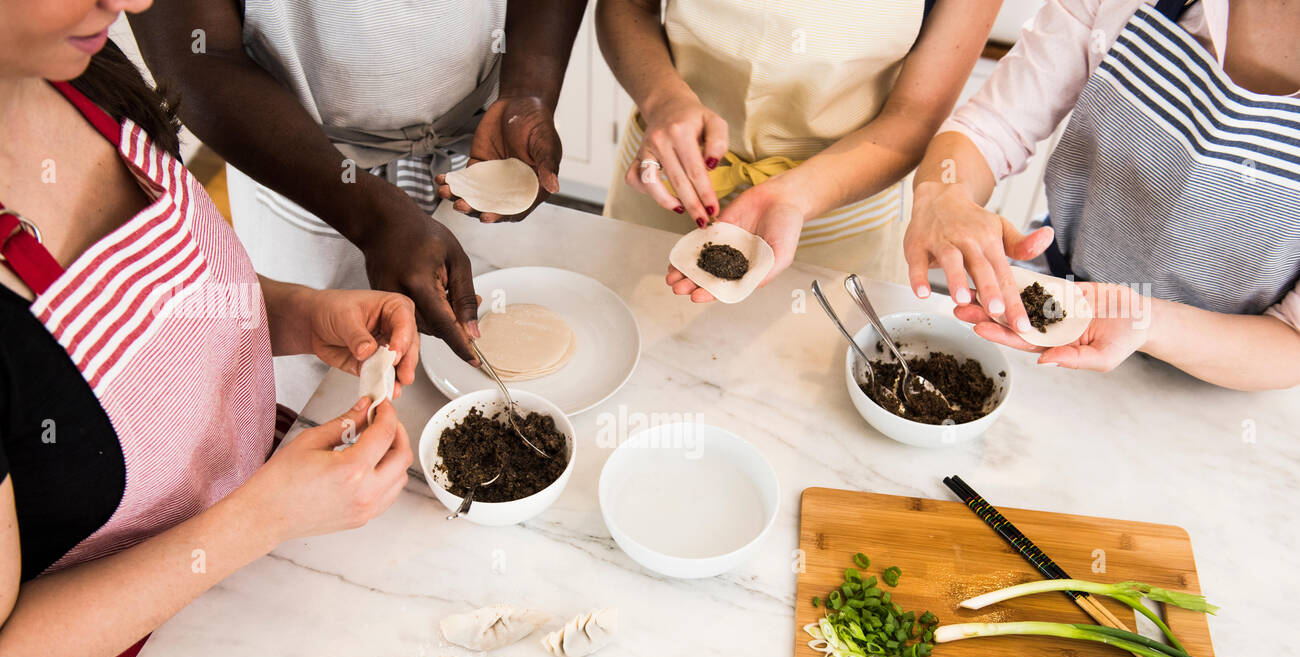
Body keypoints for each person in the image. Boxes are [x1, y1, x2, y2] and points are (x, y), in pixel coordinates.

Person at [0, 0, 417, 657]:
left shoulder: (87, 76)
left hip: (272, 589)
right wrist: (260, 518)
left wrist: (297, 314)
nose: (136, 2)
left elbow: (141, 305)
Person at [131, 0, 588, 392]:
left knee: (509, 354)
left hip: (481, 151)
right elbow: (197, 54)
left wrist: (530, 88)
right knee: (333, 385)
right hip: (302, 169)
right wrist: (373, 219)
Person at [905, 0, 1300, 391]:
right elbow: (990, 128)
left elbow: (1293, 338)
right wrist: (944, 192)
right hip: (1055, 327)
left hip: (1226, 385)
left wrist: (1143, 321)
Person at [596, 0, 1002, 299]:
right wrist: (662, 99)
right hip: (666, 184)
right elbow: (627, 7)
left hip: (841, 218)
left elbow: (914, 115)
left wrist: (793, 197)